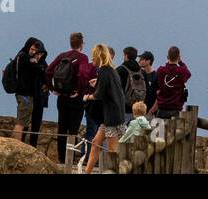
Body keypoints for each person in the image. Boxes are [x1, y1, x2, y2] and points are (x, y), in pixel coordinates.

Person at [45, 32, 91, 164]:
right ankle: (69, 159)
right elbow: (82, 74)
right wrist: (80, 91)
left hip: (62, 97)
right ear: (81, 44)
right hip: (75, 98)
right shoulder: (83, 58)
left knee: (62, 128)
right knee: (73, 130)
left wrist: (53, 88)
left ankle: (61, 159)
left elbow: (48, 71)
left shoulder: (62, 56)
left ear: (71, 43)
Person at [82, 45, 126, 174]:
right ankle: (87, 172)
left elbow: (98, 95)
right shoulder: (111, 70)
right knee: (96, 142)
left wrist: (87, 97)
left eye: (93, 56)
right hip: (114, 114)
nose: (92, 59)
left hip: (111, 117)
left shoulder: (103, 71)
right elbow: (108, 88)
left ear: (98, 56)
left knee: (113, 150)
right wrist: (98, 82)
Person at [11, 37, 47, 142]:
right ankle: (16, 145)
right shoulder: (24, 57)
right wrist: (36, 62)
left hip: (22, 94)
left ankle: (15, 144)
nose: (33, 52)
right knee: (21, 123)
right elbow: (40, 71)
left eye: (35, 51)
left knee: (22, 122)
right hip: (25, 94)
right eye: (32, 49)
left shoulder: (20, 56)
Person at [154, 46, 191, 119]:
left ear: (167, 57)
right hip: (176, 108)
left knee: (161, 130)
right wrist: (181, 62)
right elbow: (188, 74)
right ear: (178, 57)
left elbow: (157, 86)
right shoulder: (182, 71)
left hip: (162, 107)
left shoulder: (160, 70)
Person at [117, 46, 146, 121]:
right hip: (138, 109)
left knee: (122, 132)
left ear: (126, 55)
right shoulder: (142, 72)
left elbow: (116, 89)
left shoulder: (120, 70)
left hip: (124, 108)